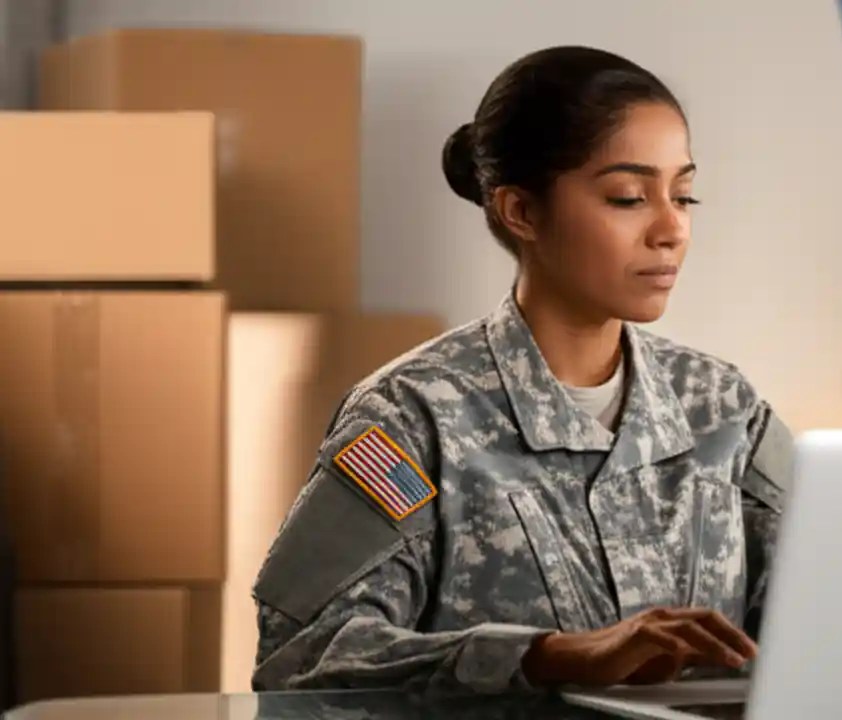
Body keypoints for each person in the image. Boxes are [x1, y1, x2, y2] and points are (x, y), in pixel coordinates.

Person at [251, 45, 793, 695]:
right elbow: (304, 654)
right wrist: (546, 656)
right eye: (627, 197)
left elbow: (830, 616)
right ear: (522, 212)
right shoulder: (413, 416)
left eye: (683, 194)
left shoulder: (723, 407)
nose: (671, 228)